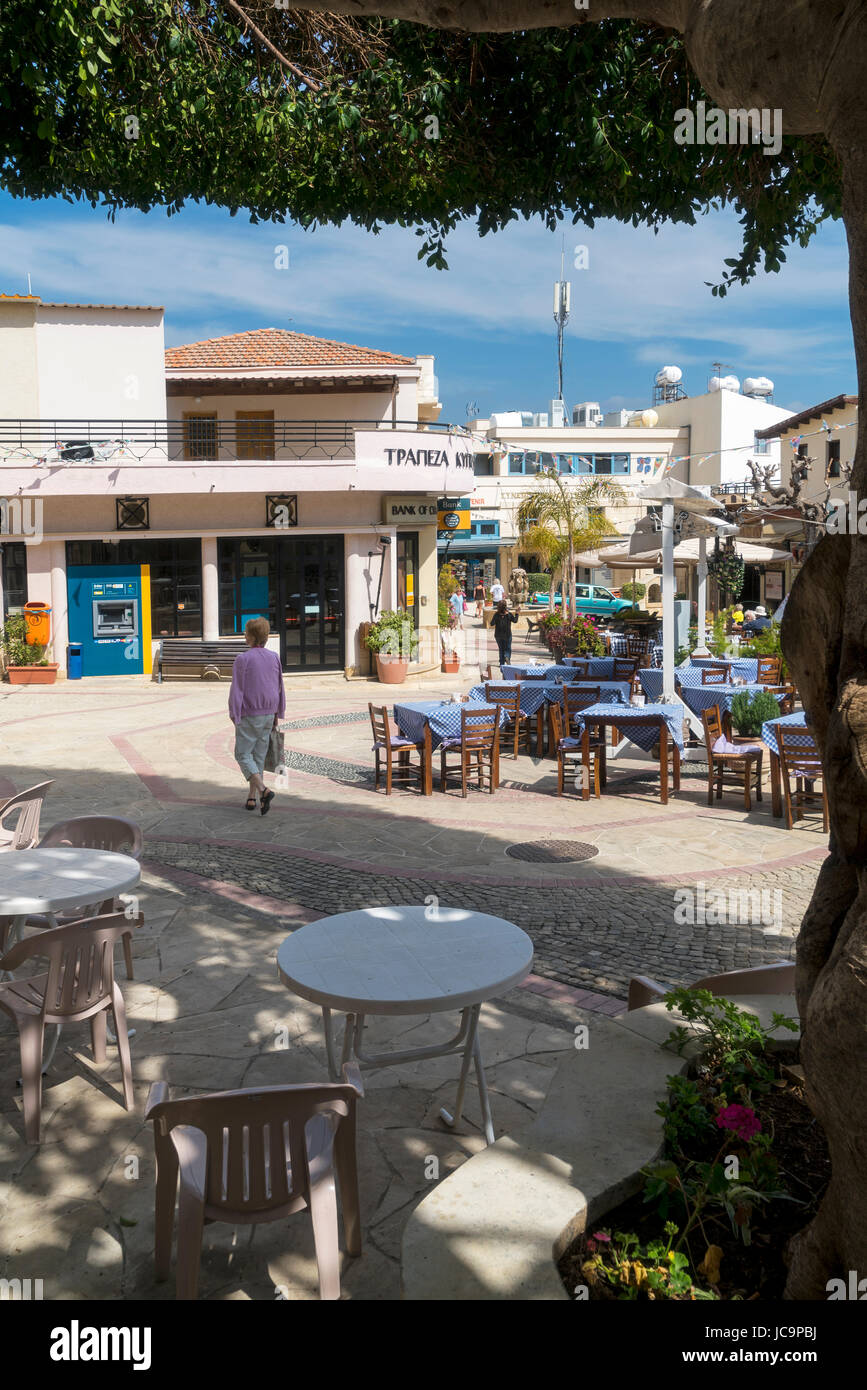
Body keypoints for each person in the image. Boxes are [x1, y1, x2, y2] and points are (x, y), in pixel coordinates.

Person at [228, 617, 286, 815]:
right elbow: (279, 686)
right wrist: (279, 711)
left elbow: (237, 690)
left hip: (249, 713)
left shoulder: (242, 659)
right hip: (269, 712)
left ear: (252, 637)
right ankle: (252, 797)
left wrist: (234, 712)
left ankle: (263, 790)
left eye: (246, 633)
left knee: (242, 754)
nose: (244, 636)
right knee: (258, 757)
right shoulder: (274, 657)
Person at [492, 599, 519, 668]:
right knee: (508, 648)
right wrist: (517, 613)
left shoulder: (496, 614)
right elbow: (515, 621)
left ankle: (501, 664)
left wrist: (497, 620)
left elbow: (492, 623)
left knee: (501, 649)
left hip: (498, 635)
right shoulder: (508, 615)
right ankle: (507, 657)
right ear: (505, 606)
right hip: (507, 634)